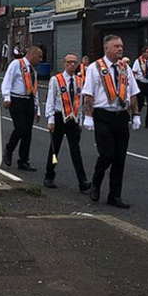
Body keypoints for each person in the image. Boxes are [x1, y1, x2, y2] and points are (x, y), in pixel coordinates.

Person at [82, 34, 141, 209]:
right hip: (103, 116)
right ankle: (96, 182)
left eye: (121, 46)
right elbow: (88, 94)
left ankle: (114, 195)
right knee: (107, 154)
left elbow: (133, 93)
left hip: (121, 116)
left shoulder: (125, 68)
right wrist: (88, 116)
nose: (120, 49)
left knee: (120, 158)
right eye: (116, 46)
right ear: (106, 49)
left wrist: (135, 114)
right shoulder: (95, 68)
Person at [44, 54, 90, 192]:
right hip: (59, 117)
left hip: (73, 119)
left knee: (76, 151)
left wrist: (80, 121)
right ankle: (49, 176)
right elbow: (50, 100)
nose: (71, 65)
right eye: (69, 62)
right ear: (64, 64)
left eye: (74, 63)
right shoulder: (56, 79)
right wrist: (50, 119)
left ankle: (82, 181)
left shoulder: (79, 81)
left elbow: (80, 103)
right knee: (54, 149)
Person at [2, 46, 43, 171]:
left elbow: (34, 91)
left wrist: (38, 110)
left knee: (28, 132)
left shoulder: (33, 71)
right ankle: (9, 149)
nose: (41, 60)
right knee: (20, 127)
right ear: (32, 55)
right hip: (16, 99)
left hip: (28, 100)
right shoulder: (16, 64)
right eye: (39, 57)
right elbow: (7, 81)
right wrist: (6, 97)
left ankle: (24, 160)